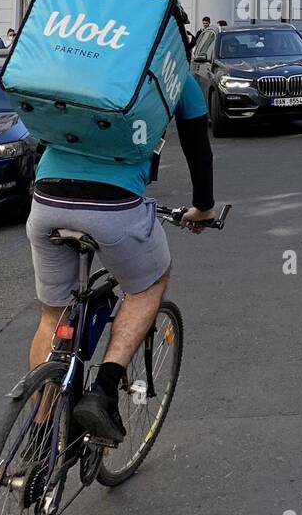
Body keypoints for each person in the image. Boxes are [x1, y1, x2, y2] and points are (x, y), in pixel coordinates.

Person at [25, 69, 215, 445]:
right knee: (148, 285)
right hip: (113, 206)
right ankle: (104, 391)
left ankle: (38, 432)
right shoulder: (172, 72)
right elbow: (197, 145)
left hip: (48, 199)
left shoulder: (82, 55)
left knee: (52, 315)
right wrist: (203, 208)